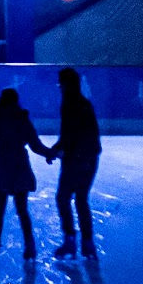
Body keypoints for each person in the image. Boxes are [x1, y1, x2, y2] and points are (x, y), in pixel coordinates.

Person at [41, 68, 102, 259]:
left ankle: (70, 240)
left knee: (63, 198)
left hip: (76, 159)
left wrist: (54, 150)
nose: (60, 88)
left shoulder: (69, 104)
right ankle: (88, 243)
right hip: (91, 158)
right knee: (82, 199)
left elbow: (68, 134)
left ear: (66, 84)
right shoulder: (85, 103)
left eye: (61, 84)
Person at [0, 87, 47, 261]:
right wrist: (50, 153)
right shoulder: (21, 118)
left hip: (2, 165)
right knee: (22, 210)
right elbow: (35, 145)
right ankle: (30, 246)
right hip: (19, 166)